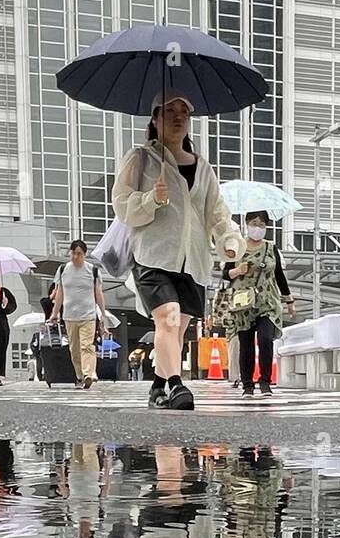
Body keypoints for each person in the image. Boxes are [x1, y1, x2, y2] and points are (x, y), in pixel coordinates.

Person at [111, 92, 245, 411]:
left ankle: (157, 385)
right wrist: (150, 200)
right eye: (169, 111)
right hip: (153, 256)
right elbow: (121, 204)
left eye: (183, 111)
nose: (177, 117)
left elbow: (217, 212)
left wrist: (229, 239)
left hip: (194, 262)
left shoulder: (202, 167)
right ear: (155, 119)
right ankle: (175, 385)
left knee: (176, 330)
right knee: (168, 321)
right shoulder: (140, 159)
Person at [222, 209, 295, 397]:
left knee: (265, 339)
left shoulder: (271, 248)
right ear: (247, 225)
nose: (258, 228)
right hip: (243, 303)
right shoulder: (237, 247)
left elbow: (279, 275)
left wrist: (289, 300)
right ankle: (247, 385)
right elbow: (225, 274)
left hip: (268, 302)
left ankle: (265, 382)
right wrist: (238, 270)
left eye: (262, 225)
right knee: (245, 343)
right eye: (254, 224)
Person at [48, 240, 107, 390]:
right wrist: (55, 313)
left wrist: (103, 314)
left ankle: (88, 374)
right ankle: (80, 376)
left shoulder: (92, 271)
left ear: (85, 255)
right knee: (74, 350)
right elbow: (60, 293)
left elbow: (98, 293)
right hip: (69, 316)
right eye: (73, 253)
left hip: (88, 315)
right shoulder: (63, 270)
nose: (76, 257)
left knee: (87, 346)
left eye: (79, 254)